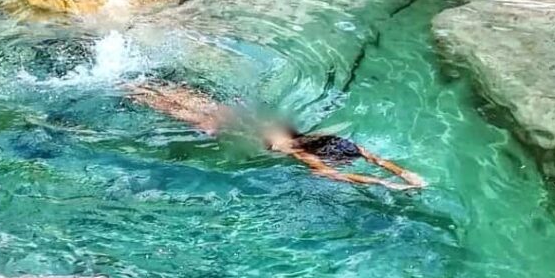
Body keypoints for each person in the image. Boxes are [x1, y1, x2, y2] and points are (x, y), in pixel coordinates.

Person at [124, 80, 426, 191]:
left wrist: (404, 172)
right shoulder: (300, 152)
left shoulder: (320, 138)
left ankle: (139, 83)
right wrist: (387, 183)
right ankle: (133, 91)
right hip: (228, 128)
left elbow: (376, 158)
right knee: (177, 111)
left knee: (188, 100)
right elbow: (333, 175)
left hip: (237, 115)